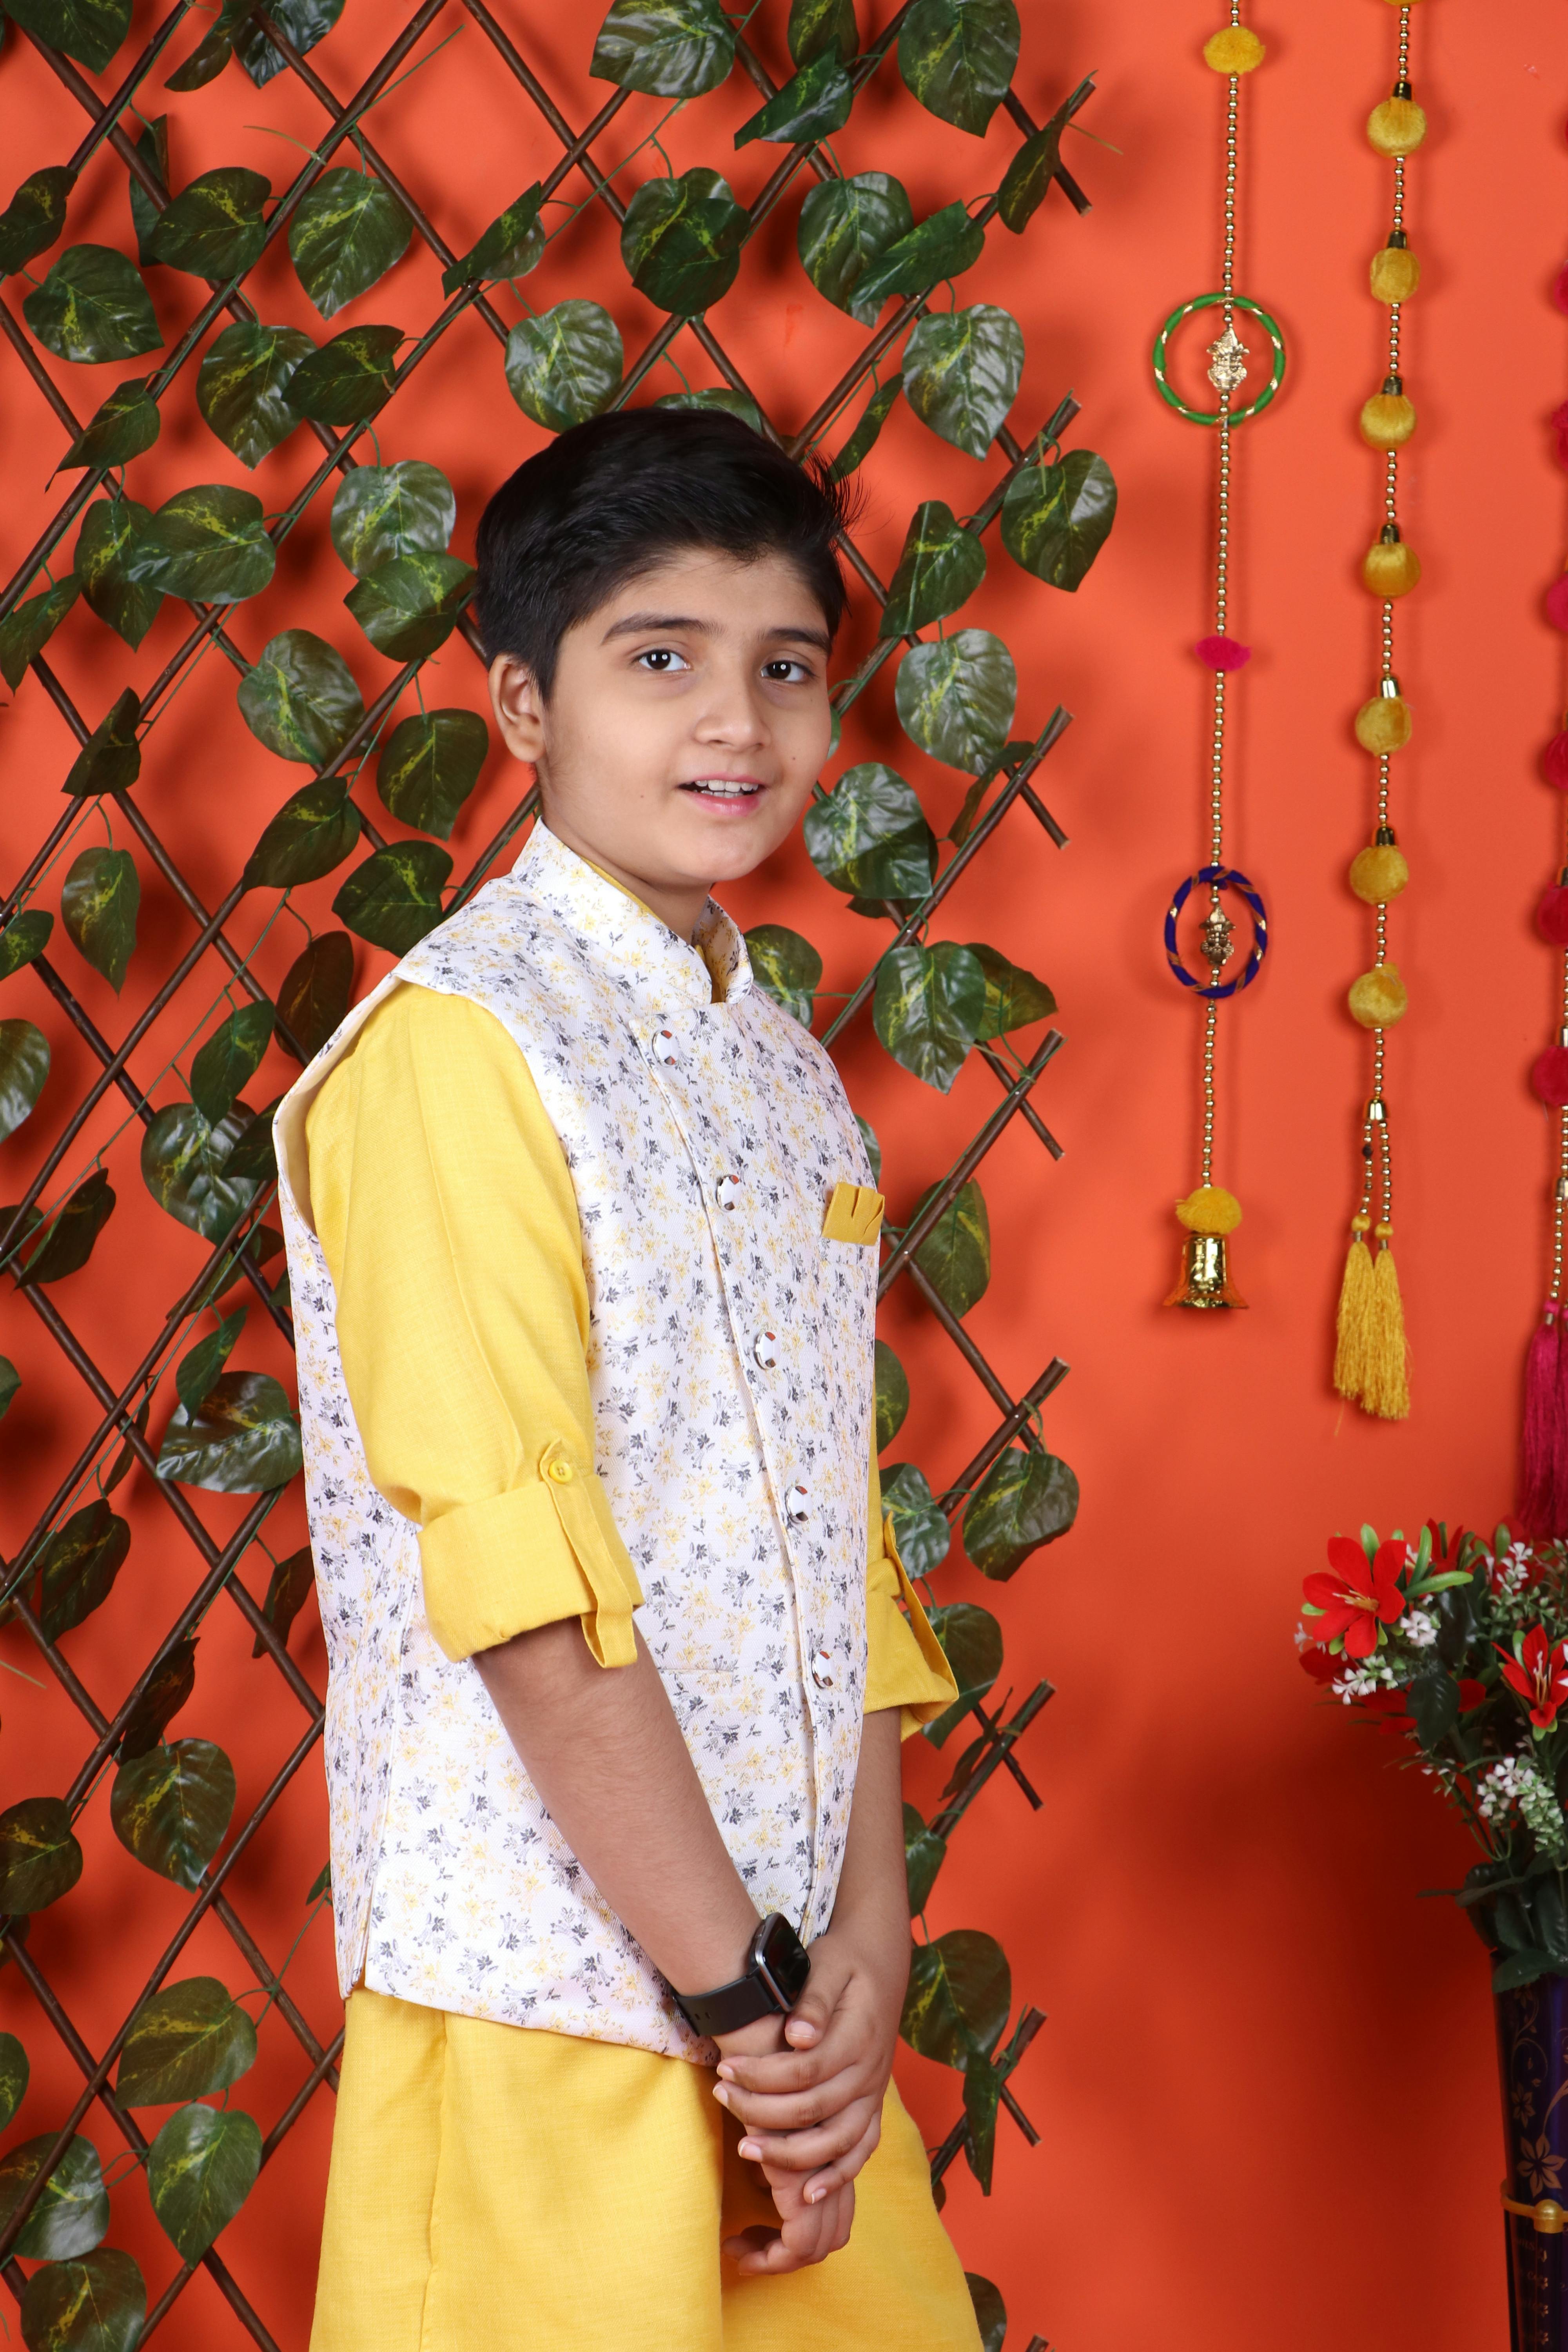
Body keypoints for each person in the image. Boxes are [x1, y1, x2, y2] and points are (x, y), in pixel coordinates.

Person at [273, 408, 981, 2350]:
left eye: (785, 669)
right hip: (548, 2016)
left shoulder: (780, 1064)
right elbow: (522, 1593)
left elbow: (833, 1539)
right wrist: (741, 2002)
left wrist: (864, 1948)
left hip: (784, 2025)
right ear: (522, 703)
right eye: (658, 658)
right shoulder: (456, 1055)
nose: (733, 723)